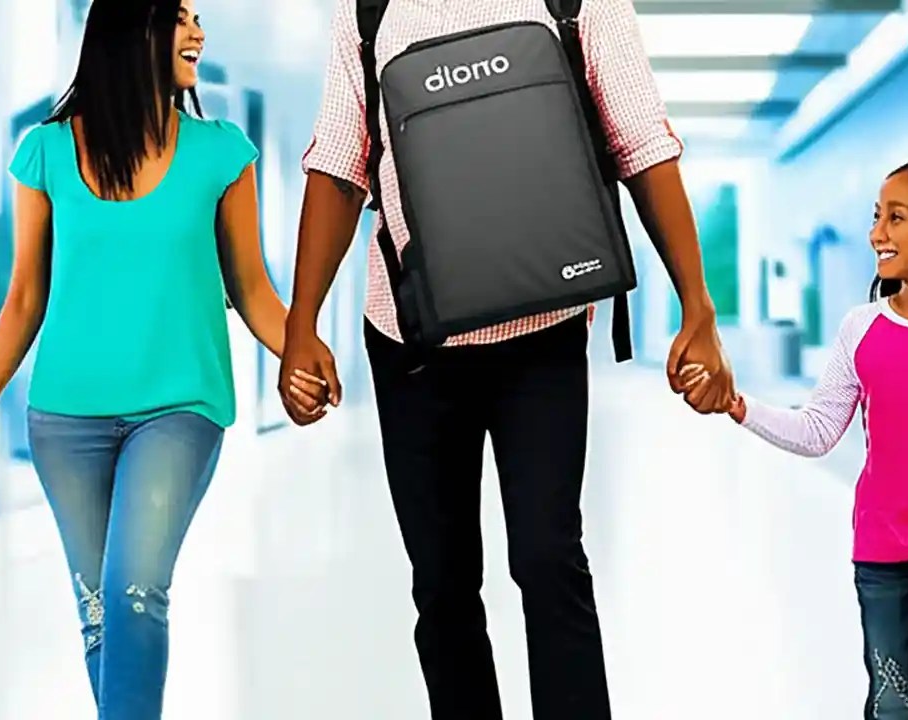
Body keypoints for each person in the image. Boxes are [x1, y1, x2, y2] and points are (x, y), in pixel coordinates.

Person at [278, 1, 734, 717]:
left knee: (549, 560)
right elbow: (340, 161)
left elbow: (641, 142)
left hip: (544, 332)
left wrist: (696, 304)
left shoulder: (576, 4)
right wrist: (301, 323)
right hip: (410, 340)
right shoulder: (368, 10)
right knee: (443, 582)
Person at [0, 1, 325, 717]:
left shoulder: (220, 151)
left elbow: (251, 288)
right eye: (179, 17)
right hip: (64, 418)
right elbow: (24, 294)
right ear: (132, 31)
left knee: (135, 590)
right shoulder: (47, 150)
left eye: (197, 17)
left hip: (180, 406)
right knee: (99, 615)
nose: (198, 32)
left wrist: (302, 350)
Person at [697, 159, 908, 719]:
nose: (877, 232)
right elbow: (816, 432)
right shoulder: (862, 328)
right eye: (877, 216)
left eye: (896, 217)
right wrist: (739, 407)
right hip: (883, 553)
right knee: (890, 707)